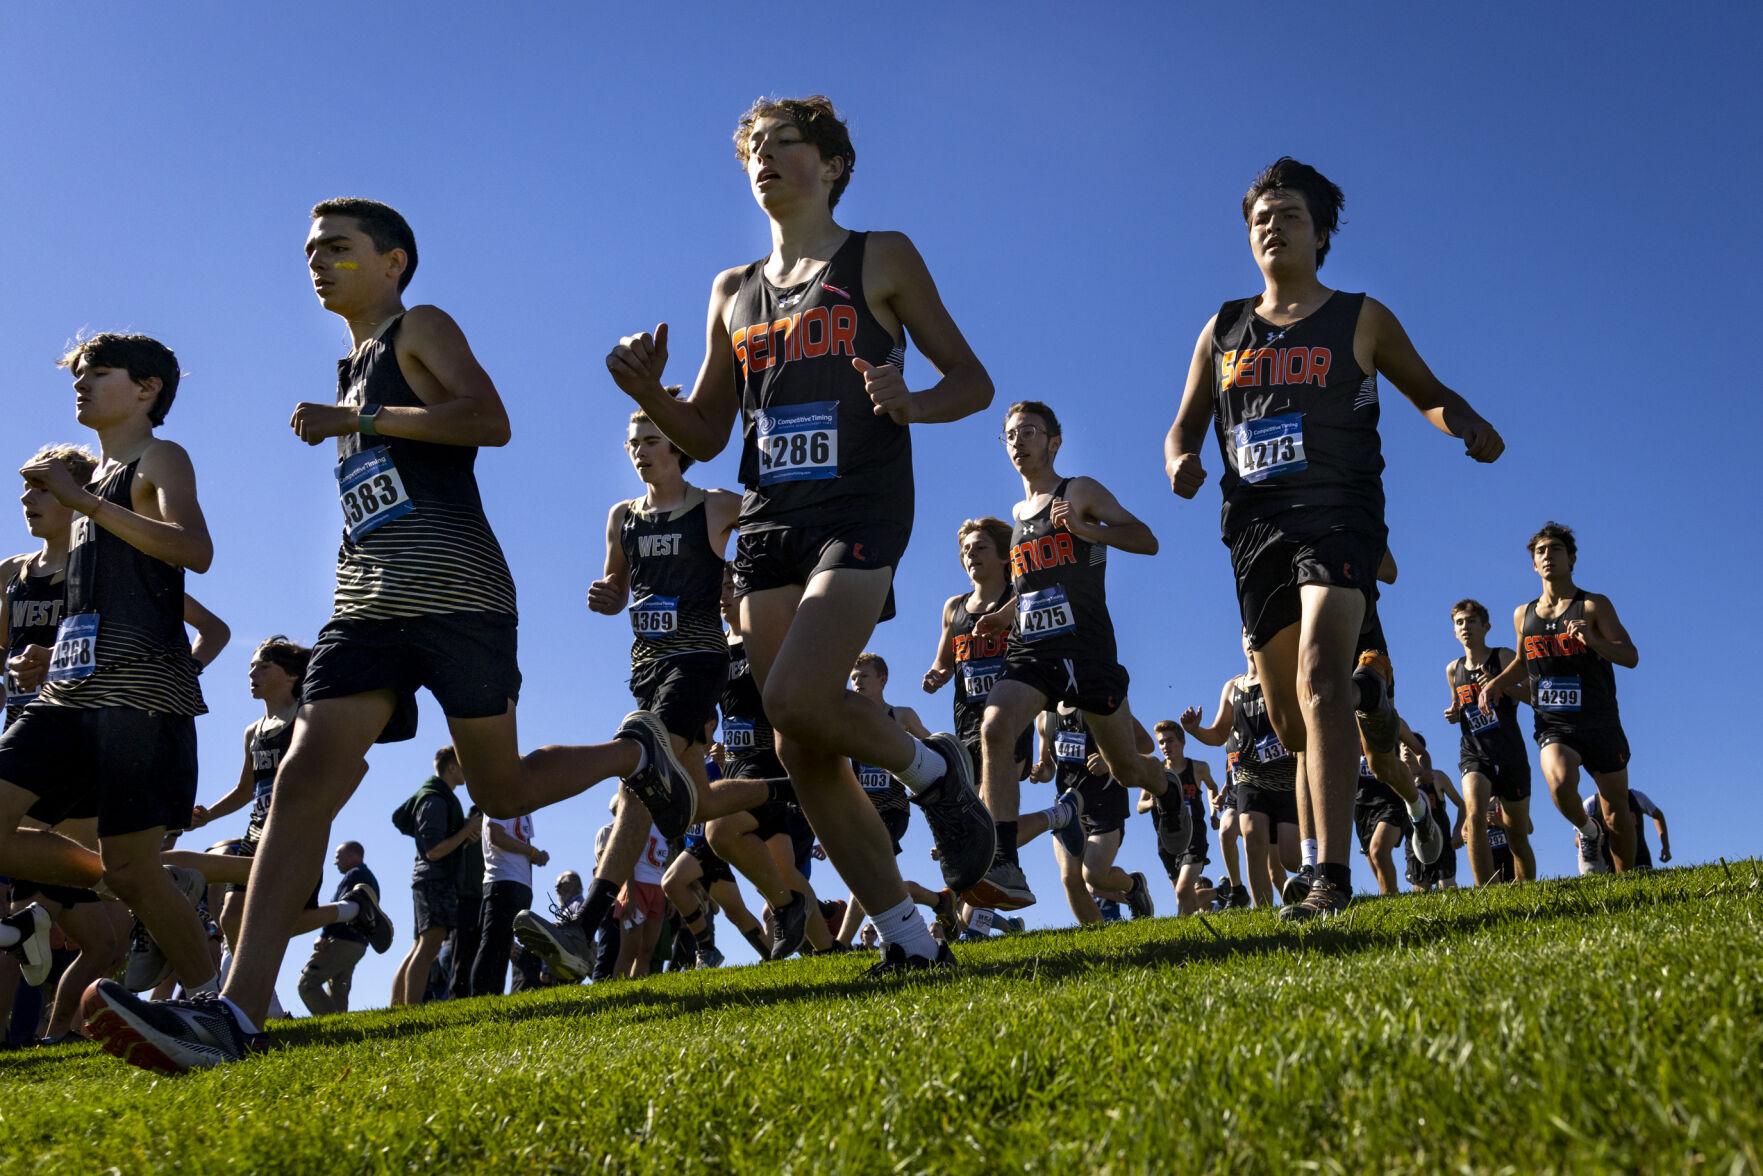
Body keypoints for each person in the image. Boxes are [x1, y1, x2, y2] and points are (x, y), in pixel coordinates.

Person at [87, 200, 727, 1071]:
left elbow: (487, 420)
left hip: (460, 595)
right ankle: (235, 1011)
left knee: (499, 789)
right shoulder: (350, 366)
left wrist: (360, 421)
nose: (318, 262)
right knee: (305, 776)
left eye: (338, 248)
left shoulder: (418, 328)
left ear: (392, 262)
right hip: (365, 608)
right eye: (310, 251)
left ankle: (632, 753)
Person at [605, 95, 995, 974]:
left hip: (859, 505)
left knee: (792, 696)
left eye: (787, 142)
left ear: (833, 166)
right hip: (769, 516)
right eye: (755, 146)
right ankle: (909, 943)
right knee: (798, 740)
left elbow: (971, 381)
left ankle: (932, 771)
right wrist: (647, 391)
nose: (767, 157)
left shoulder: (880, 256)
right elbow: (708, 433)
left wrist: (911, 402)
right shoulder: (731, 290)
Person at [1164, 158, 1504, 920]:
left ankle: (1329, 876)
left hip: (1338, 513)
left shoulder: (1359, 317)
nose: (1271, 227)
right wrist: (1179, 461)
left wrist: (1466, 425)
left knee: (1318, 676)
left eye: (1288, 215)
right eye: (1260, 219)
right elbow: (1182, 427)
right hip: (1253, 529)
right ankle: (1366, 699)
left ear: (1319, 235)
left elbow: (1428, 393)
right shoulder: (1221, 330)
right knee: (1292, 723)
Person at [0, 333, 229, 1068]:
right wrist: (52, 653)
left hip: (141, 698)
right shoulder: (92, 482)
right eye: (78, 374)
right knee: (123, 870)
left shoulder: (159, 458)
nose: (82, 383)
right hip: (67, 694)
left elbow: (194, 550)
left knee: (132, 872)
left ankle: (216, 1006)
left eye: (98, 373)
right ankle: (119, 892)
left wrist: (83, 502)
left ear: (147, 388)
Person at [967, 401, 1174, 911]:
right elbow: (1033, 585)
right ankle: (1002, 860)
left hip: (1087, 649)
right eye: (1010, 435)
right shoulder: (1017, 517)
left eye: (1029, 432)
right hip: (1033, 649)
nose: (1018, 441)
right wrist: (1005, 615)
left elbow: (1147, 540)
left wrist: (1089, 532)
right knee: (995, 726)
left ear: (1054, 441)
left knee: (1125, 769)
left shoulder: (1077, 491)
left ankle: (1163, 783)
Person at [1480, 523, 1640, 872]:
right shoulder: (1523, 614)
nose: (1548, 556)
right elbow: (1523, 662)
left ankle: (1627, 883)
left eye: (1555, 549)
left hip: (1599, 719)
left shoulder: (1593, 605)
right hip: (1553, 722)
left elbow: (1630, 656)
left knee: (1616, 811)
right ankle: (1588, 829)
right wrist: (1496, 684)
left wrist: (1594, 641)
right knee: (1561, 783)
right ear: (1533, 565)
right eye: (1541, 551)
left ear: (1571, 559)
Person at [840, 653, 959, 940]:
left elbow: (934, 748)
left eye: (864, 676)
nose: (857, 682)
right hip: (861, 811)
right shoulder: (847, 722)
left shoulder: (901, 716)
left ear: (882, 679)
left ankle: (842, 942)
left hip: (892, 809)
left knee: (867, 874)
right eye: (853, 678)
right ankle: (939, 900)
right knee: (880, 882)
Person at [1183, 638, 1299, 908]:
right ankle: (1264, 914)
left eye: (1254, 634)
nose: (1251, 640)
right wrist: (1194, 730)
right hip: (1250, 778)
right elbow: (1218, 734)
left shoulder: (1283, 676)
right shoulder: (1232, 687)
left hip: (1286, 779)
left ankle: (1316, 885)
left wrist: (1297, 739)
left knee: (1290, 859)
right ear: (1241, 640)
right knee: (1252, 841)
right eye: (1246, 634)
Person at [922, 517, 1033, 784]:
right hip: (968, 719)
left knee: (993, 794)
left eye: (981, 547)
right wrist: (936, 675)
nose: (971, 554)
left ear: (1004, 556)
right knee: (980, 804)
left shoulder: (1019, 599)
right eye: (966, 550)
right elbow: (943, 662)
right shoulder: (953, 607)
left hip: (1011, 713)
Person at [1035, 705, 1157, 923]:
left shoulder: (1102, 701)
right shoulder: (1044, 715)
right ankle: (1097, 937)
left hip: (1105, 803)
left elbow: (1146, 744)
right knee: (1070, 878)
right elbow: (1048, 767)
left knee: (1094, 875)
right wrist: (1039, 772)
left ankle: (1134, 886)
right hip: (1068, 806)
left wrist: (1110, 761)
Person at [1444, 598, 1536, 884]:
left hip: (1509, 752)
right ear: (1454, 631)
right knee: (1474, 816)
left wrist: (1502, 685)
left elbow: (1534, 696)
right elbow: (1458, 705)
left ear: (1486, 626)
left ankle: (1527, 890)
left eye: (1471, 621)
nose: (1465, 627)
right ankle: (1486, 890)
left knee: (1516, 835)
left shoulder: (1503, 657)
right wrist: (1454, 712)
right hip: (1474, 752)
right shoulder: (1453, 670)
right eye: (1459, 623)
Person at [391, 748, 480, 1006]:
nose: (468, 771)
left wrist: (464, 837)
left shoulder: (440, 798)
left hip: (430, 879)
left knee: (420, 945)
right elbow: (434, 850)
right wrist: (466, 830)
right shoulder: (435, 800)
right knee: (429, 946)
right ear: (451, 767)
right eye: (464, 765)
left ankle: (397, 1006)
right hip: (435, 880)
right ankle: (410, 1009)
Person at [296, 842, 382, 1016]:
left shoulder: (354, 874)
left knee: (307, 984)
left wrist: (324, 934)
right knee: (338, 989)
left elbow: (341, 908)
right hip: (359, 944)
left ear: (352, 856)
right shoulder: (369, 878)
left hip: (342, 940)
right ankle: (342, 1027)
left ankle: (333, 1026)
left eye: (338, 857)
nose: (335, 862)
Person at [1142, 720, 1217, 914]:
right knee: (1183, 897)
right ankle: (1221, 892)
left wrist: (1214, 812)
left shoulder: (1198, 768)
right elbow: (1140, 805)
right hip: (1168, 839)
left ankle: (1216, 895)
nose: (1165, 746)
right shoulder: (1154, 771)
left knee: (1183, 891)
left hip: (1194, 835)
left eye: (1170, 740)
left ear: (1182, 742)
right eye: (1161, 742)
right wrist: (1152, 802)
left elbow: (1212, 787)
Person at [470, 811, 546, 996]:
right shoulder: (499, 801)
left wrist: (534, 856)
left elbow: (521, 841)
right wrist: (532, 852)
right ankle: (479, 997)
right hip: (502, 880)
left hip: (521, 883)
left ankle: (494, 997)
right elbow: (496, 836)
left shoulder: (524, 809)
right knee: (492, 943)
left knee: (505, 947)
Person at [1402, 736, 1464, 892]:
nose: (1405, 749)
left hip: (1441, 839)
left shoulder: (1437, 777)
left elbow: (1462, 804)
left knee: (1447, 888)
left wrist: (1458, 830)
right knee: (1421, 891)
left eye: (1409, 745)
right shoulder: (1398, 782)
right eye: (1402, 746)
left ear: (1420, 751)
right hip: (1415, 843)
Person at [1581, 787, 1669, 873]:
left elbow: (1658, 815)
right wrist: (1589, 840)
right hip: (1607, 866)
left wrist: (1665, 847)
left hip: (1640, 860)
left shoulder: (1636, 797)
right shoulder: (1591, 804)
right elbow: (1579, 837)